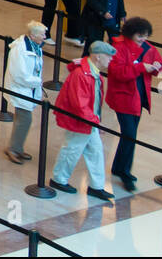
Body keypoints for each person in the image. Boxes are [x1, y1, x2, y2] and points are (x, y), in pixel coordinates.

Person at [49, 40, 118, 205]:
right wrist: (96, 122)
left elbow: (92, 102)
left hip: (88, 121)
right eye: (109, 56)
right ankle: (59, 179)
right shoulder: (82, 74)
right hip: (80, 121)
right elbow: (80, 104)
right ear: (98, 57)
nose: (111, 60)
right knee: (72, 149)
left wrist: (95, 122)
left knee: (96, 152)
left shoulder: (93, 72)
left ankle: (96, 186)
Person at [105, 17, 162, 192]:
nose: (143, 39)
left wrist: (157, 66)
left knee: (129, 135)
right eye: (140, 36)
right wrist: (141, 68)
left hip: (139, 98)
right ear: (131, 34)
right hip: (123, 98)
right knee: (130, 135)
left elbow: (160, 64)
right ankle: (124, 172)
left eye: (145, 36)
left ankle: (118, 167)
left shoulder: (148, 48)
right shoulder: (118, 48)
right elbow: (117, 72)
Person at [2, 21, 48, 165]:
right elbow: (19, 74)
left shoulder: (35, 46)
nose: (45, 37)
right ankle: (14, 149)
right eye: (42, 34)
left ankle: (17, 147)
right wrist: (36, 81)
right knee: (25, 120)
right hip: (21, 89)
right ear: (33, 35)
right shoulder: (20, 49)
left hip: (28, 89)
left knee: (22, 119)